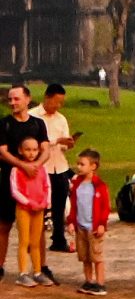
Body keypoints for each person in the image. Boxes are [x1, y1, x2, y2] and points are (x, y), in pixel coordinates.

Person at [29, 84, 72, 255]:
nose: (58, 106)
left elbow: (64, 145)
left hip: (59, 165)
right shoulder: (33, 116)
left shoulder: (61, 119)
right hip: (42, 167)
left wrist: (67, 143)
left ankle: (58, 239)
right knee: (39, 205)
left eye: (61, 103)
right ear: (47, 97)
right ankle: (33, 240)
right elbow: (33, 144)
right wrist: (56, 141)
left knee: (60, 203)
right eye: (56, 102)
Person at [66, 148, 108, 296]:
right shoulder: (77, 184)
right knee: (85, 257)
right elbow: (74, 205)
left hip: (94, 228)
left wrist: (102, 224)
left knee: (97, 256)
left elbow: (105, 207)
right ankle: (89, 281)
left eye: (82, 164)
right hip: (81, 227)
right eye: (78, 164)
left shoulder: (99, 186)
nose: (79, 167)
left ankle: (100, 283)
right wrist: (71, 221)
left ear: (93, 166)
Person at [9, 137, 50, 288]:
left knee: (36, 242)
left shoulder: (42, 169)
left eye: (34, 150)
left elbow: (47, 186)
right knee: (24, 241)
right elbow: (15, 190)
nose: (31, 153)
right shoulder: (17, 170)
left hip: (39, 209)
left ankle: (38, 272)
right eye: (28, 149)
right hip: (24, 210)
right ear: (20, 150)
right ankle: (22, 273)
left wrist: (45, 202)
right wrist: (28, 203)